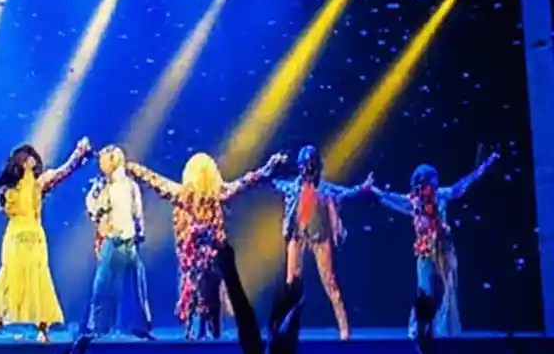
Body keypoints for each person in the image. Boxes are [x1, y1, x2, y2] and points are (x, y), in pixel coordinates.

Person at [126, 151, 286, 339]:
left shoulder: (183, 195)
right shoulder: (215, 194)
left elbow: (155, 180)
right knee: (210, 297)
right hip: (211, 258)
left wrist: (134, 168)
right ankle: (210, 334)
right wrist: (269, 167)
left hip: (194, 260)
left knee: (194, 295)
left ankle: (196, 335)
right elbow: (246, 182)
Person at [364, 151, 500, 337]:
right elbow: (391, 198)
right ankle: (419, 328)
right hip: (425, 249)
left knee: (449, 288)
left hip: (443, 248)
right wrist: (373, 190)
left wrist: (483, 167)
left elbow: (463, 185)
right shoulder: (414, 202)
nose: (423, 189)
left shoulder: (440, 196)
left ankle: (445, 330)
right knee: (424, 290)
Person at [0, 138, 93, 343]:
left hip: (35, 237)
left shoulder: (40, 184)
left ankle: (41, 324)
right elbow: (3, 208)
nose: (29, 162)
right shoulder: (7, 189)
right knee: (11, 276)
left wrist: (78, 154)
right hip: (15, 236)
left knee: (38, 277)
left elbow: (63, 172)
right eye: (25, 159)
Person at [268, 145, 369, 340]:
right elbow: (272, 182)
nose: (307, 169)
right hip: (297, 237)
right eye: (305, 166)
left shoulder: (325, 189)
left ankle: (344, 328)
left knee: (330, 282)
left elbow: (346, 193)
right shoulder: (292, 187)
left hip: (319, 238)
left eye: (311, 165)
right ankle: (285, 328)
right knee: (291, 285)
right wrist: (271, 166)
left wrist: (363, 188)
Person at [85, 145, 152, 339]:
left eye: (103, 161)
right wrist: (97, 213)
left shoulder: (129, 186)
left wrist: (139, 234)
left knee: (134, 286)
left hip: (127, 241)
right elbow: (92, 207)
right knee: (102, 286)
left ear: (113, 161)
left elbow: (137, 213)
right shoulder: (103, 186)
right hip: (111, 241)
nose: (100, 165)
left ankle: (139, 326)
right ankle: (99, 327)